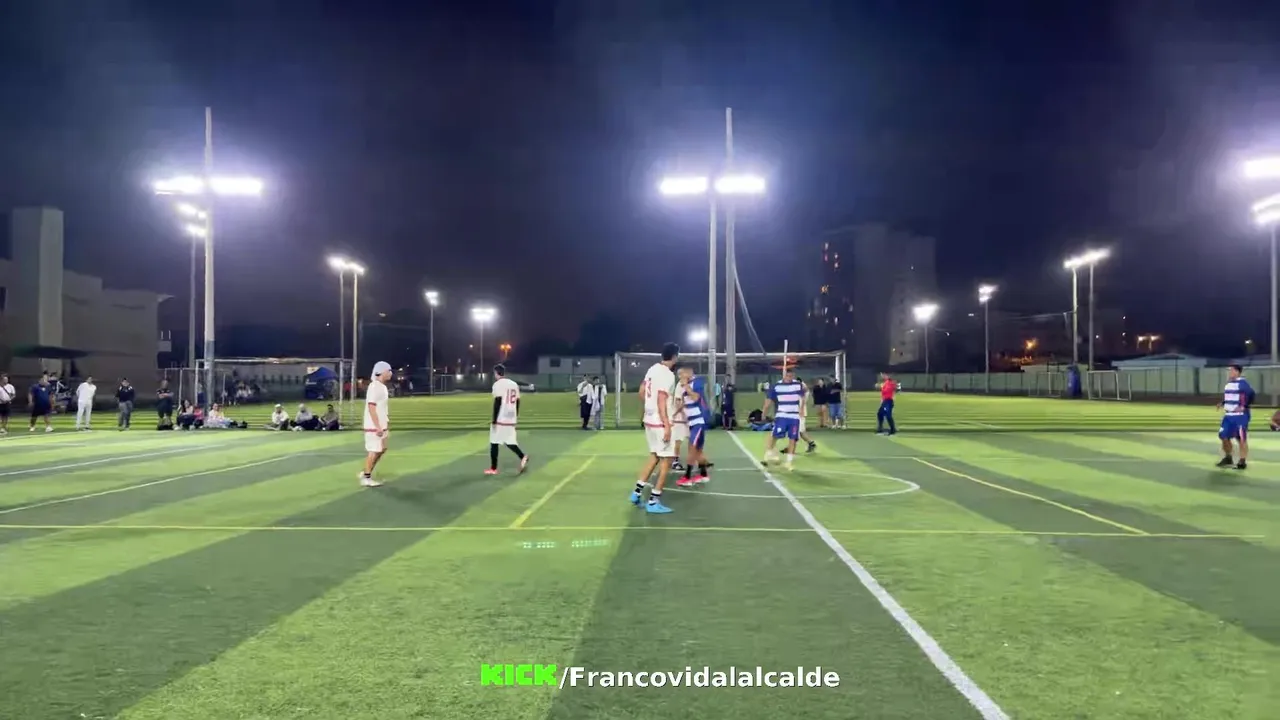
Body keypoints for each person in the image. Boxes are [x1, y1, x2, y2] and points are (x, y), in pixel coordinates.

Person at [631, 342, 679, 514]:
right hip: (660, 422)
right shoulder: (668, 374)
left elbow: (641, 392)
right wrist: (666, 425)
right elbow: (661, 399)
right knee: (667, 460)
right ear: (675, 357)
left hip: (649, 420)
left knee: (654, 456)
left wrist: (650, 409)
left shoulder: (652, 369)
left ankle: (636, 493)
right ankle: (653, 500)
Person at [486, 364, 529, 475]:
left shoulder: (497, 384)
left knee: (494, 442)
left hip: (501, 418)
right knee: (509, 441)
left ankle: (493, 468)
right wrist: (515, 416)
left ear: (496, 373)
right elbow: (518, 401)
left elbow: (498, 402)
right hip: (511, 418)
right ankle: (522, 456)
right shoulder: (514, 384)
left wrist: (494, 420)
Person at [675, 366, 712, 487]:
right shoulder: (685, 386)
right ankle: (703, 474)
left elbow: (696, 398)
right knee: (698, 450)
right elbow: (685, 403)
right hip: (692, 422)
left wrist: (686, 386)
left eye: (681, 374)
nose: (679, 377)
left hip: (698, 421)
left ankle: (687, 477)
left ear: (688, 374)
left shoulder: (696, 383)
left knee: (692, 447)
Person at [360, 360, 394, 488]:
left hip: (381, 425)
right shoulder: (374, 386)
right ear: (381, 372)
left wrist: (385, 425)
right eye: (388, 370)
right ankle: (366, 477)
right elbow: (371, 407)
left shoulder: (382, 387)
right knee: (374, 450)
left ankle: (366, 472)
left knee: (382, 449)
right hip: (374, 426)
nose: (391, 373)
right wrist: (377, 426)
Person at [762, 368, 805, 468]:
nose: (789, 378)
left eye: (791, 376)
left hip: (794, 417)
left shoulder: (798, 385)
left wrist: (802, 408)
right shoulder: (777, 386)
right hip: (782, 415)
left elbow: (803, 397)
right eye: (788, 376)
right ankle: (768, 455)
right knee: (775, 435)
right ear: (784, 375)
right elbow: (769, 400)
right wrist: (764, 412)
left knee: (793, 438)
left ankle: (789, 462)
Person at [1217, 364, 1254, 470]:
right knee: (1223, 436)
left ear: (1237, 372)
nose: (1230, 372)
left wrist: (1244, 406)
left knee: (1241, 438)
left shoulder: (1242, 383)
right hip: (1228, 415)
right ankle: (1228, 458)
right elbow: (1232, 396)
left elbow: (1251, 394)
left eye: (1232, 370)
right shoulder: (1229, 384)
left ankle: (1242, 461)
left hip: (1240, 416)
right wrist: (1223, 403)